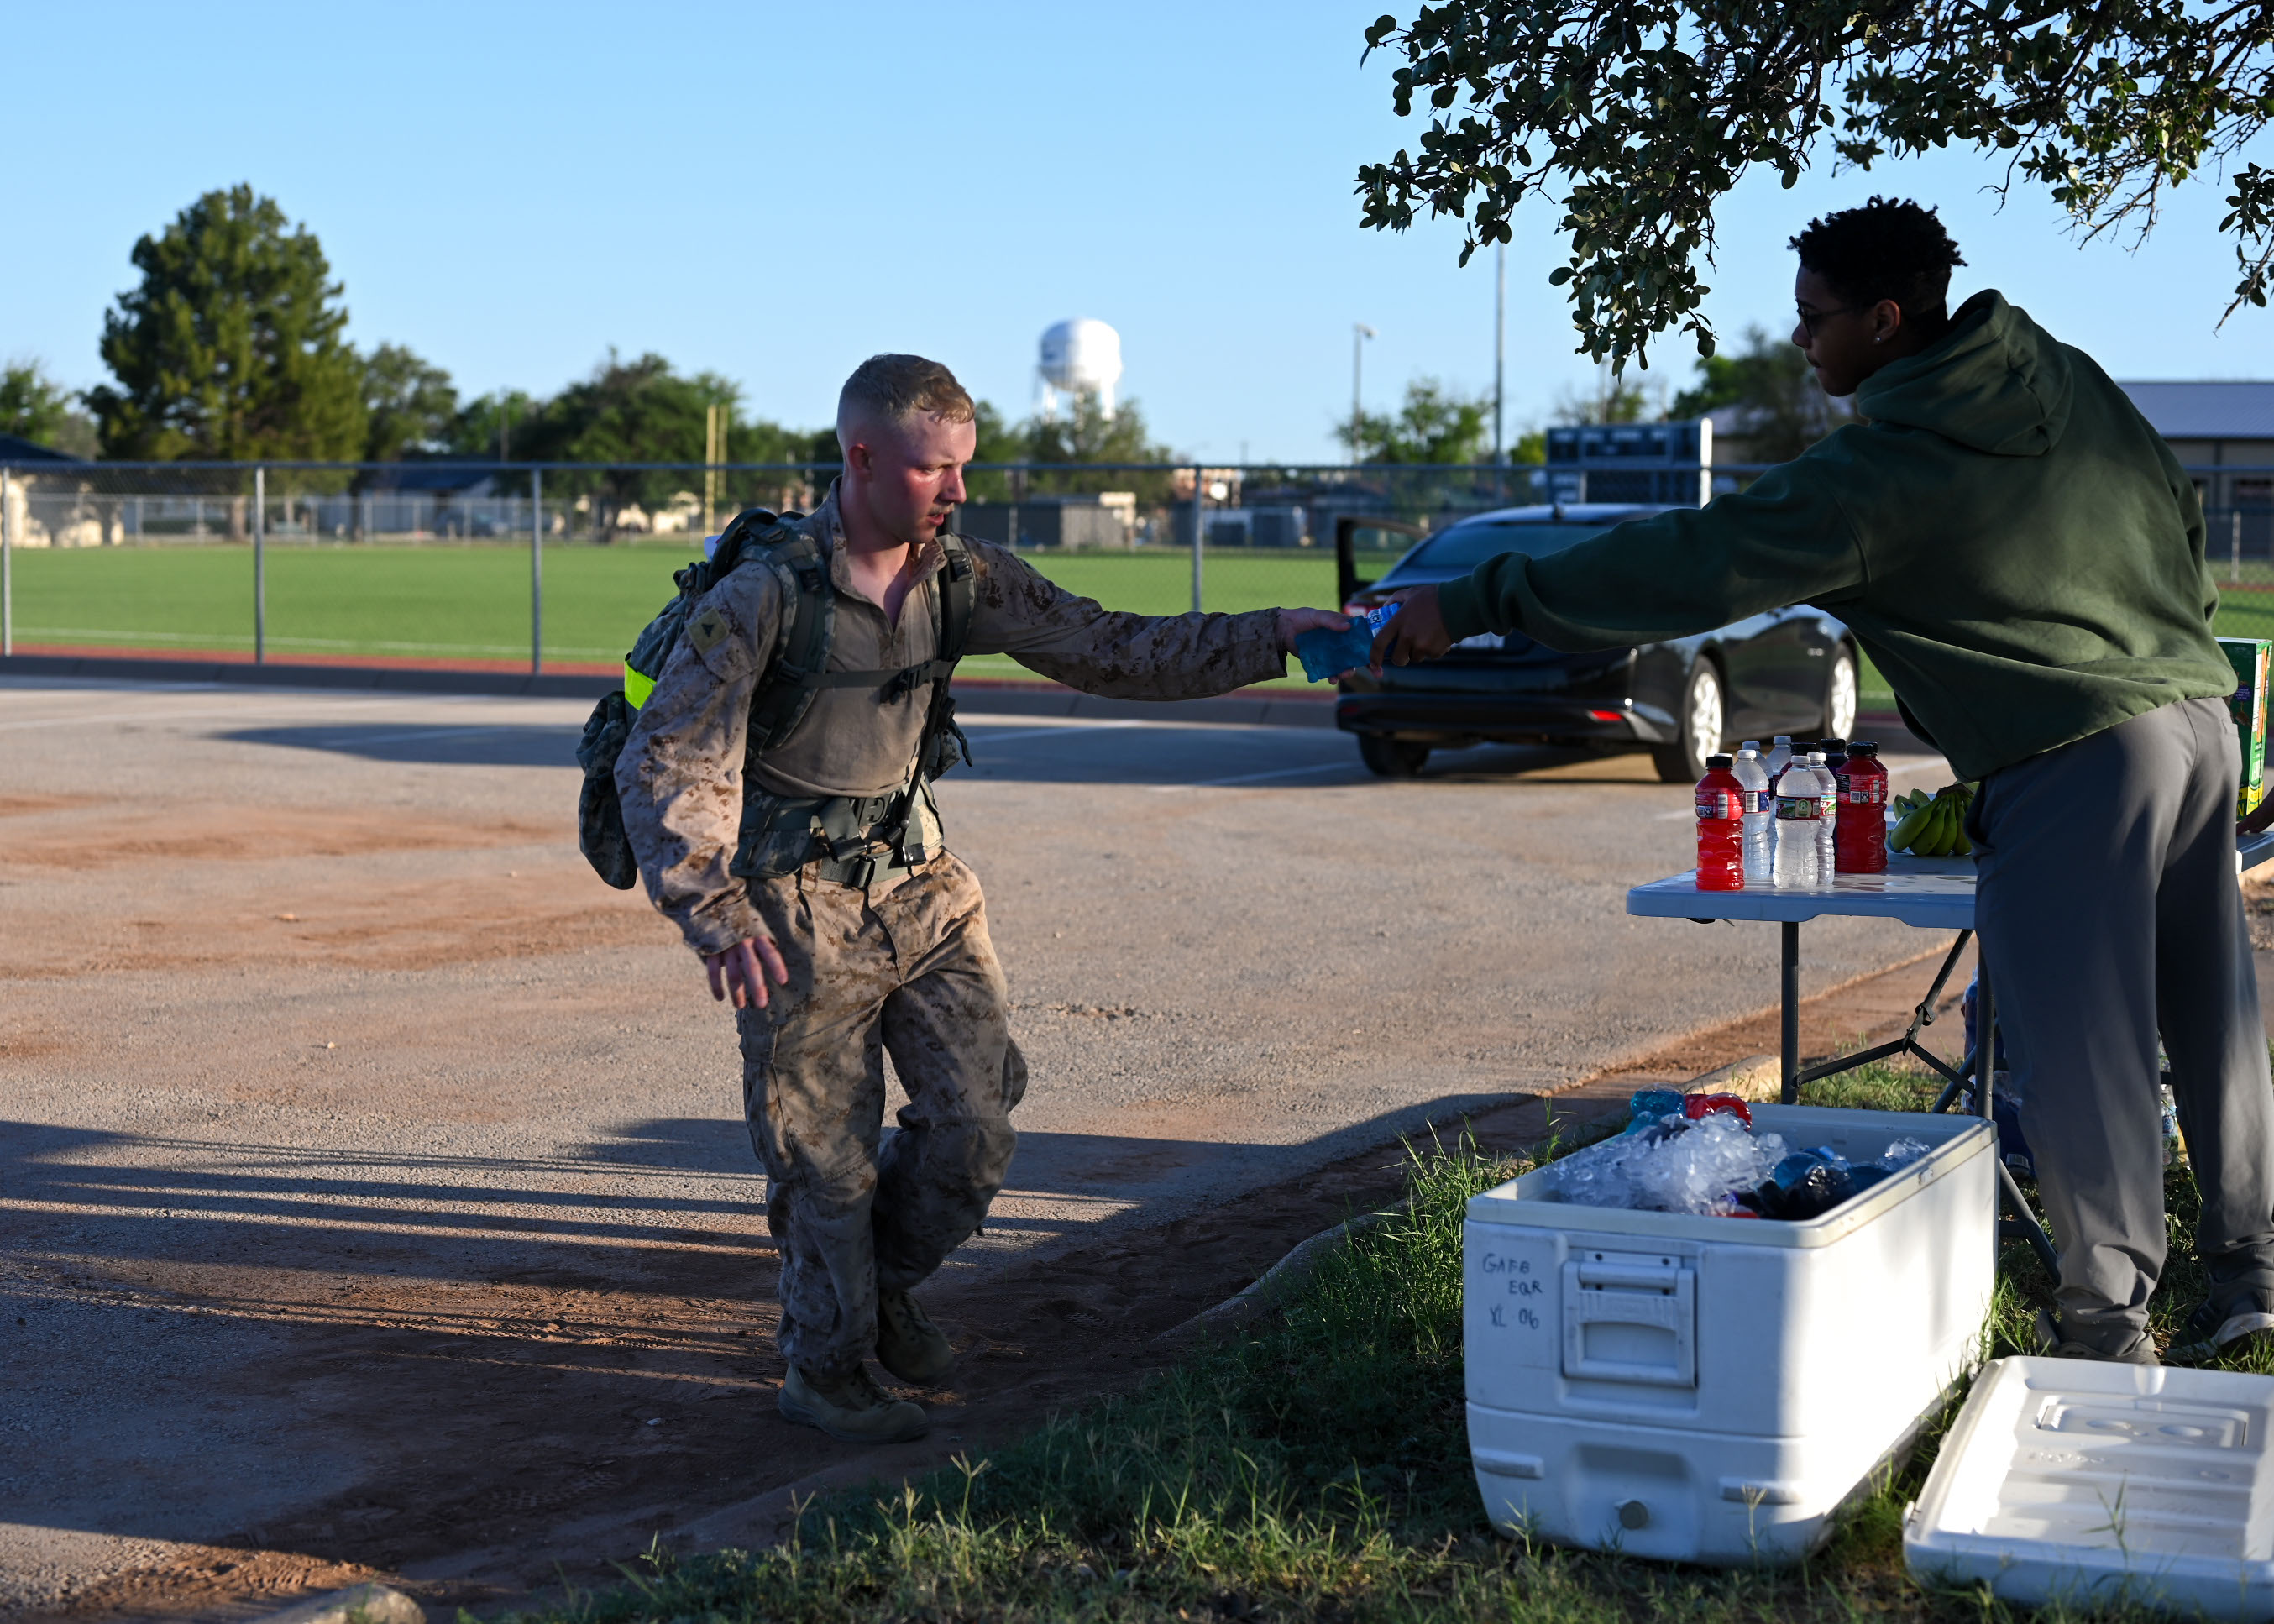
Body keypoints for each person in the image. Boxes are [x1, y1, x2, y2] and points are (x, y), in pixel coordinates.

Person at [1372, 196, 2274, 1365]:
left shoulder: (1879, 475)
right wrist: (2178, 644)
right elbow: (2180, 508)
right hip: (2201, 718)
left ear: (1887, 320)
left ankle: (2105, 1325)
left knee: (2085, 1047)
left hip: (2075, 751)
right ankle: (2254, 1273)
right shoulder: (2064, 378)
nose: (1801, 341)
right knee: (2216, 1013)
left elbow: (1691, 564)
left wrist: (1479, 598)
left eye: (1814, 319)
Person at [616, 353, 1346, 1441]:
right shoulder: (765, 596)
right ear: (860, 458)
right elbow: (671, 756)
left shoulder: (966, 577)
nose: (957, 492)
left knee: (974, 1131)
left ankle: (881, 1290)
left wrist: (1279, 633)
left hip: (922, 886)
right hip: (795, 907)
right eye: (932, 470)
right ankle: (827, 1367)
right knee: (824, 1160)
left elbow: (1118, 647)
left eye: (965, 467)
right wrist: (711, 908)